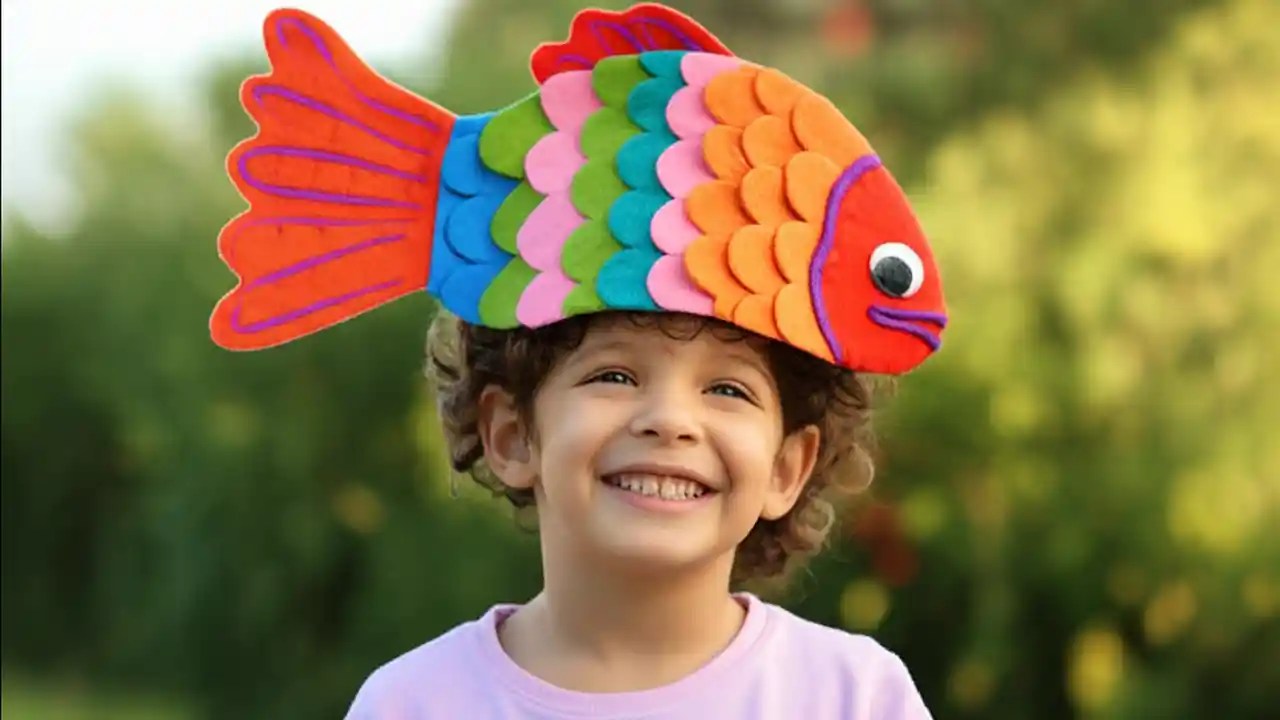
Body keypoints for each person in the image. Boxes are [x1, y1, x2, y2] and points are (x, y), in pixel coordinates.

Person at [210, 5, 946, 718]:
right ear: (511, 435)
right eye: (613, 376)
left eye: (727, 389)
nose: (668, 421)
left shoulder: (854, 698)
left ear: (788, 466)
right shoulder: (414, 704)